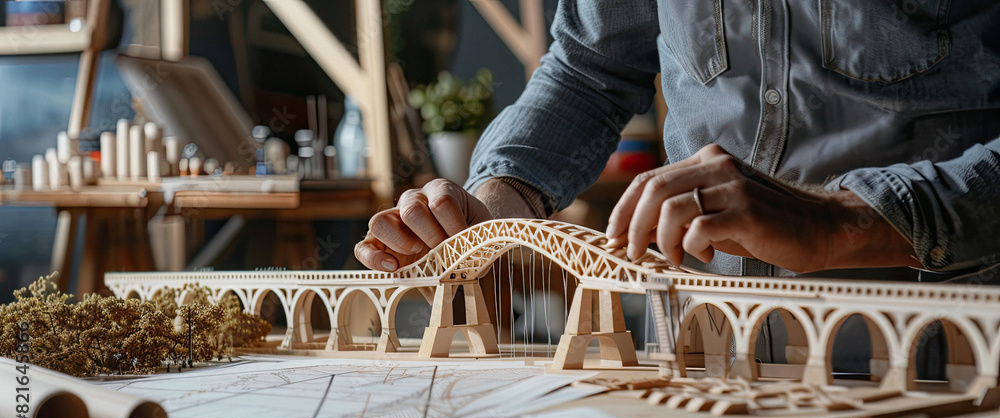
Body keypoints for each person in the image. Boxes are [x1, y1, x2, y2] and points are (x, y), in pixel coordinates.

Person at [356, 1, 1000, 278]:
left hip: (950, 352)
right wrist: (501, 196)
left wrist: (845, 222)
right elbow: (590, 67)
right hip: (699, 345)